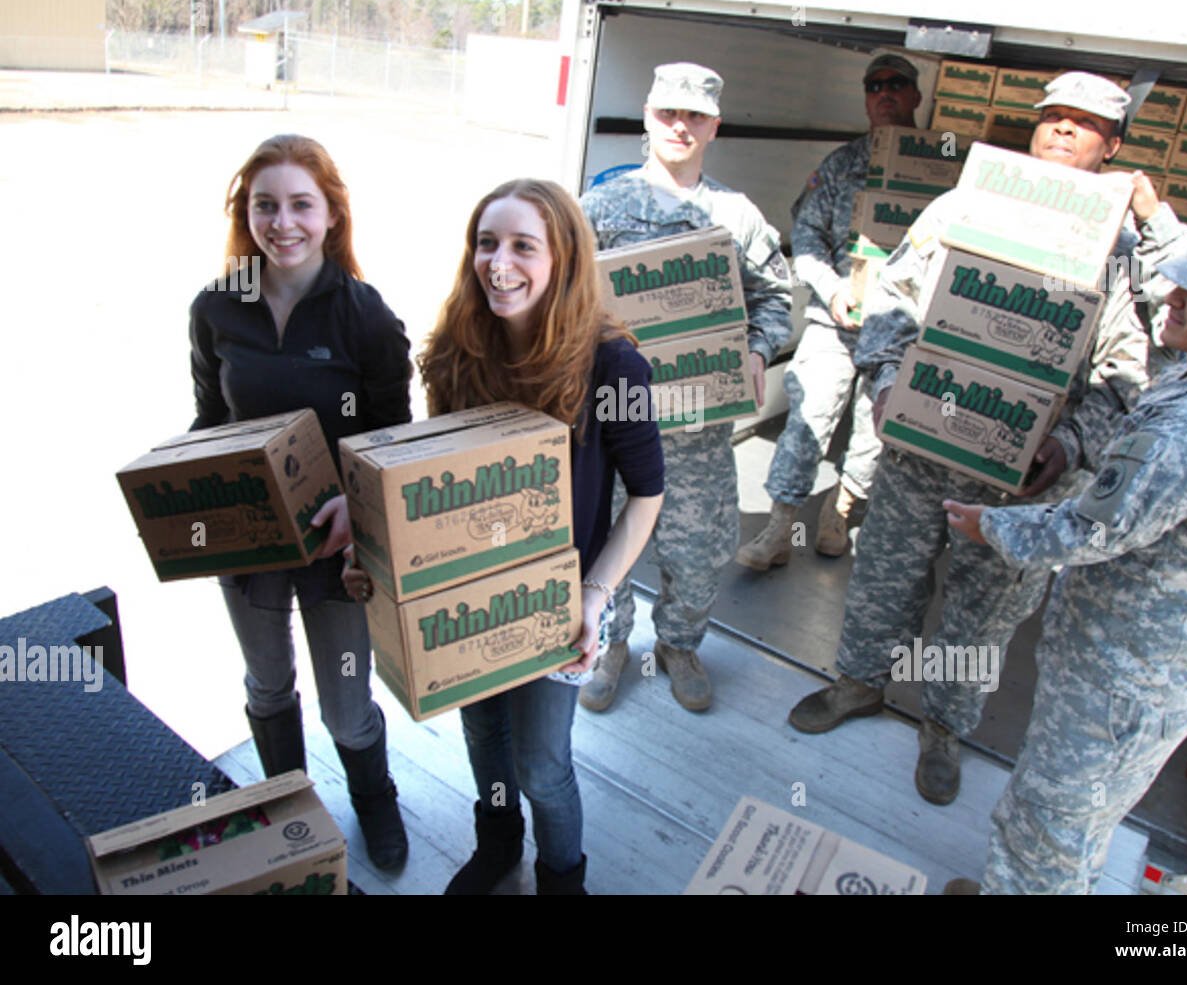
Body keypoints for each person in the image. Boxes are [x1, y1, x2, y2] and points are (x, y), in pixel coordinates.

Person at [787, 72, 1187, 806]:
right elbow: (893, 297)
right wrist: (883, 381)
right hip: (922, 451)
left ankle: (944, 726)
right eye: (1052, 118)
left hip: (1024, 483)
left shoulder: (1128, 249)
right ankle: (859, 684)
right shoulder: (961, 207)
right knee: (885, 574)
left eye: (1084, 123)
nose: (1063, 131)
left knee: (984, 612)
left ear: (1115, 145)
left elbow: (1132, 373)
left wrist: (1070, 446)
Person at [941, 216, 1187, 893]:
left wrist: (991, 525)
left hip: (1113, 685)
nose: (1173, 298)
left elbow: (1089, 531)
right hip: (1151, 670)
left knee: (1043, 837)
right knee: (1077, 823)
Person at [351, 179, 665, 895]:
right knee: (484, 737)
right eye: (486, 243)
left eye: (525, 245)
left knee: (541, 762)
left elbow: (647, 493)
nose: (500, 263)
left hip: (563, 603)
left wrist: (595, 595)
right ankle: (498, 844)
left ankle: (562, 879)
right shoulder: (457, 352)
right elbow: (433, 487)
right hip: (472, 594)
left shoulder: (614, 365)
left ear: (564, 258)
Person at [189, 134, 413, 871]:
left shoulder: (364, 317)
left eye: (300, 205)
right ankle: (285, 802)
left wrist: (358, 510)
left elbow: (392, 443)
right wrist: (183, 503)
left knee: (347, 706)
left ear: (331, 215)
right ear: (245, 212)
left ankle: (374, 796)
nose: (282, 222)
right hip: (251, 546)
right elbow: (208, 421)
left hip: (335, 547)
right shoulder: (217, 309)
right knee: (266, 681)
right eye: (265, 205)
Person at [577, 62, 793, 713]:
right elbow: (564, 300)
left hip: (698, 432)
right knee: (601, 544)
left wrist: (758, 348)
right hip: (615, 425)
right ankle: (608, 643)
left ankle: (677, 643)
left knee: (700, 553)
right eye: (669, 112)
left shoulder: (736, 217)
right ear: (647, 116)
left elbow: (774, 297)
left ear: (713, 127)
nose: (680, 125)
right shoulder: (599, 208)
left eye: (694, 116)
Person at [737, 52, 921, 570]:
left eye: (896, 84)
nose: (885, 93)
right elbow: (809, 239)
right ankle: (780, 526)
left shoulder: (939, 170)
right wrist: (832, 286)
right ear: (866, 98)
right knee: (808, 415)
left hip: (905, 326)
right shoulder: (842, 166)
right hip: (835, 316)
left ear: (915, 96)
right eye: (874, 85)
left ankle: (841, 509)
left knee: (875, 423)